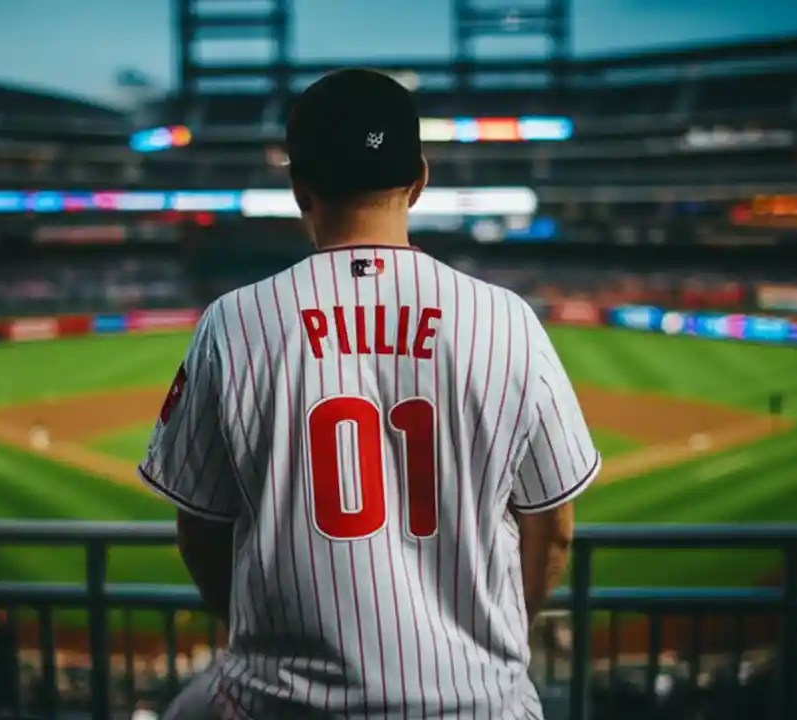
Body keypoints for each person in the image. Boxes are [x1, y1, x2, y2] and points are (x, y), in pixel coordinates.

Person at [139, 68, 600, 718]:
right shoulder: (508, 321)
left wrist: (256, 638)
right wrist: (492, 646)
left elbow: (199, 534)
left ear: (300, 188)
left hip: (282, 705)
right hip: (480, 704)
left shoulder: (233, 323)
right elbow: (553, 533)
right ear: (419, 180)